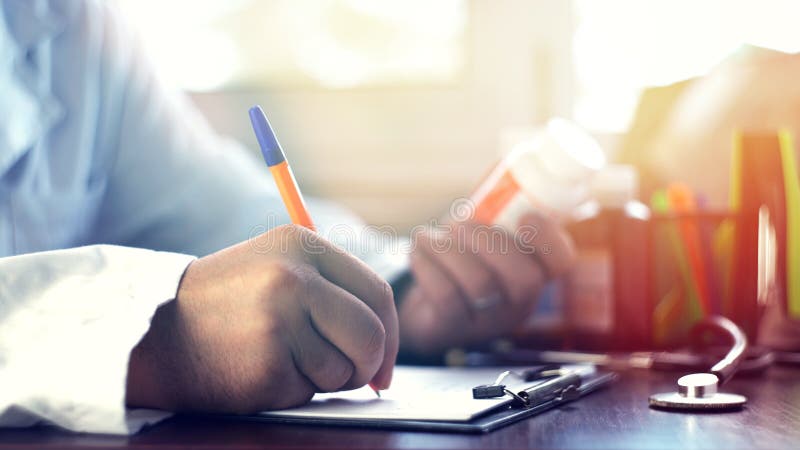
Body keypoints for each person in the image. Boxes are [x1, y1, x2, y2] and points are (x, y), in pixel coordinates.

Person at [0, 0, 574, 434]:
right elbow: (179, 311)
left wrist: (397, 296)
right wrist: (152, 338)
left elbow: (220, 208)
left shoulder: (67, 23)